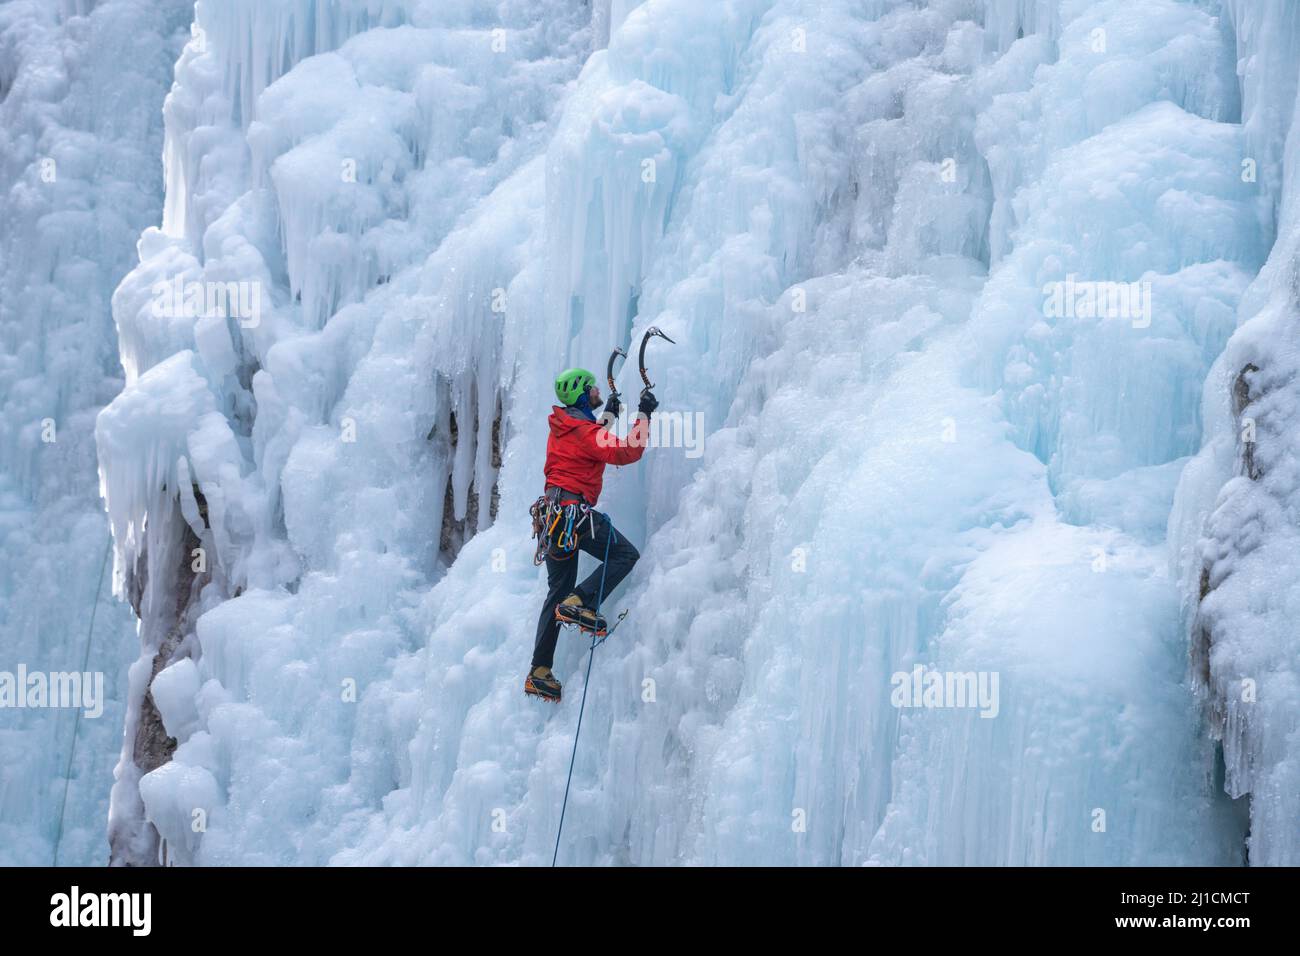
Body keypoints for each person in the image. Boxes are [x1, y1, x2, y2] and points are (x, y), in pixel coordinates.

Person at [525, 367, 658, 702]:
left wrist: (609, 415)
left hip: (553, 519)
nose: (598, 389)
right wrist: (644, 414)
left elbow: (590, 441)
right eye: (593, 388)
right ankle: (582, 600)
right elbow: (628, 451)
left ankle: (539, 671)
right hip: (574, 515)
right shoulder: (584, 431)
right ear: (583, 394)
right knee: (625, 555)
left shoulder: (564, 428)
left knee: (556, 591)